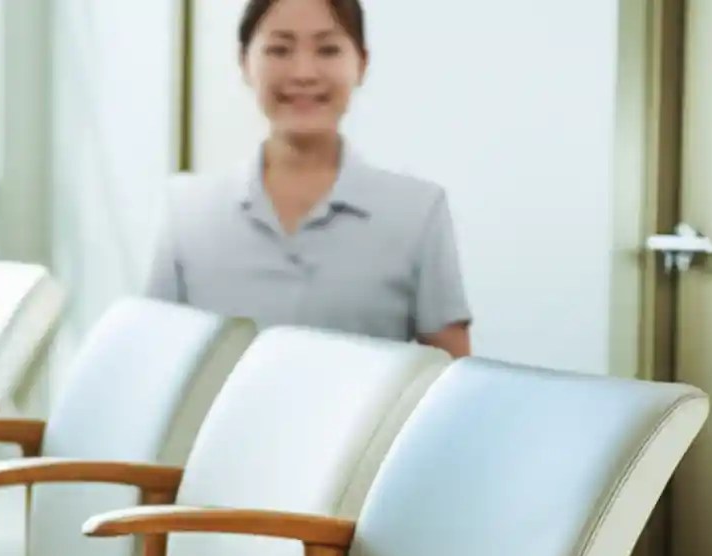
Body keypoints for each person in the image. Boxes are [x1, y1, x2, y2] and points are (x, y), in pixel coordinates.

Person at [145, 0, 472, 357]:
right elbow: (154, 366)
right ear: (244, 62)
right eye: (280, 49)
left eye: (328, 49)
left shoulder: (417, 213)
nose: (303, 72)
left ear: (362, 63)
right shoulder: (188, 211)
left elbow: (450, 382)